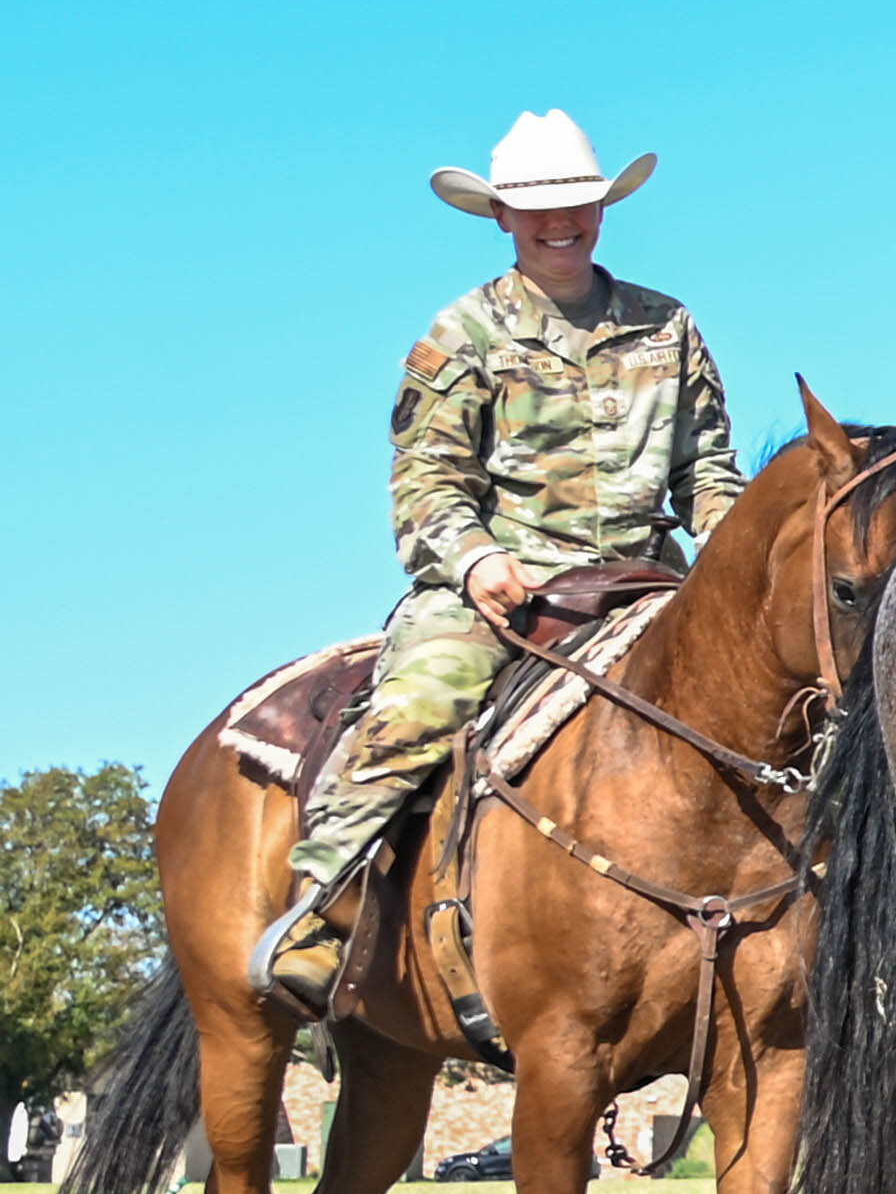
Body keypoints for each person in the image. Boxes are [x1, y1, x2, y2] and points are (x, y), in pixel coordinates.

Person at [255, 112, 743, 1013]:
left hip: (643, 583)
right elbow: (427, 478)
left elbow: (707, 470)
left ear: (603, 209)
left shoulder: (670, 327)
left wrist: (734, 552)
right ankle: (321, 907)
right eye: (537, 209)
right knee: (420, 700)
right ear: (501, 218)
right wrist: (476, 560)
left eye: (578, 206)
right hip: (500, 591)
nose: (561, 224)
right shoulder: (465, 331)